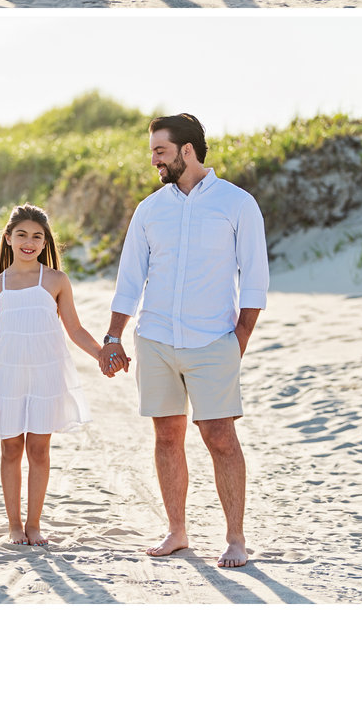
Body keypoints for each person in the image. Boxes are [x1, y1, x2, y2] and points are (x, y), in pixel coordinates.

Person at [99, 113, 267, 567]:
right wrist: (113, 335)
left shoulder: (237, 204)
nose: (153, 159)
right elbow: (130, 279)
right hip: (154, 337)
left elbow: (254, 279)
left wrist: (240, 338)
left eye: (160, 150)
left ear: (186, 151)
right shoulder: (151, 209)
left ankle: (235, 538)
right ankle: (177, 530)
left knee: (221, 437)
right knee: (166, 435)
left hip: (214, 340)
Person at [0, 205, 101, 545]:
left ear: (45, 242)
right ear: (8, 238)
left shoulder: (57, 281)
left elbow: (74, 329)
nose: (29, 242)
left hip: (47, 373)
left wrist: (102, 353)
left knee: (40, 450)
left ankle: (34, 524)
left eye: (37, 237)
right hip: (8, 375)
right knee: (10, 449)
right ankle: (14, 525)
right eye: (22, 235)